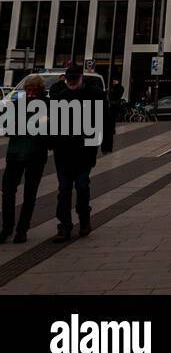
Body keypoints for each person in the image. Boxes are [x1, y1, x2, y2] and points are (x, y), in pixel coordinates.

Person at [49, 62, 104, 242]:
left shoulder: (93, 95)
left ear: (81, 78)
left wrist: (101, 145)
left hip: (83, 153)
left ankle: (84, 218)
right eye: (69, 79)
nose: (71, 82)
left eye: (74, 78)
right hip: (63, 153)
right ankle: (64, 226)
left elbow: (103, 119)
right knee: (63, 190)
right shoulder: (59, 97)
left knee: (81, 186)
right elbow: (52, 125)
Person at [1, 75, 50, 244]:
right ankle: (7, 227)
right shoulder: (16, 105)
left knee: (30, 193)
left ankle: (22, 229)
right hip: (15, 154)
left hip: (35, 155)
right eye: (28, 90)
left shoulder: (46, 107)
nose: (31, 94)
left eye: (34, 91)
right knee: (7, 191)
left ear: (40, 91)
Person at [102, 78, 124, 153]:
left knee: (112, 118)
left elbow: (117, 95)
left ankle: (107, 148)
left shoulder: (118, 88)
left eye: (115, 81)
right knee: (111, 120)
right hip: (112, 105)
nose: (114, 82)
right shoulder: (114, 88)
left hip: (114, 105)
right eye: (113, 81)